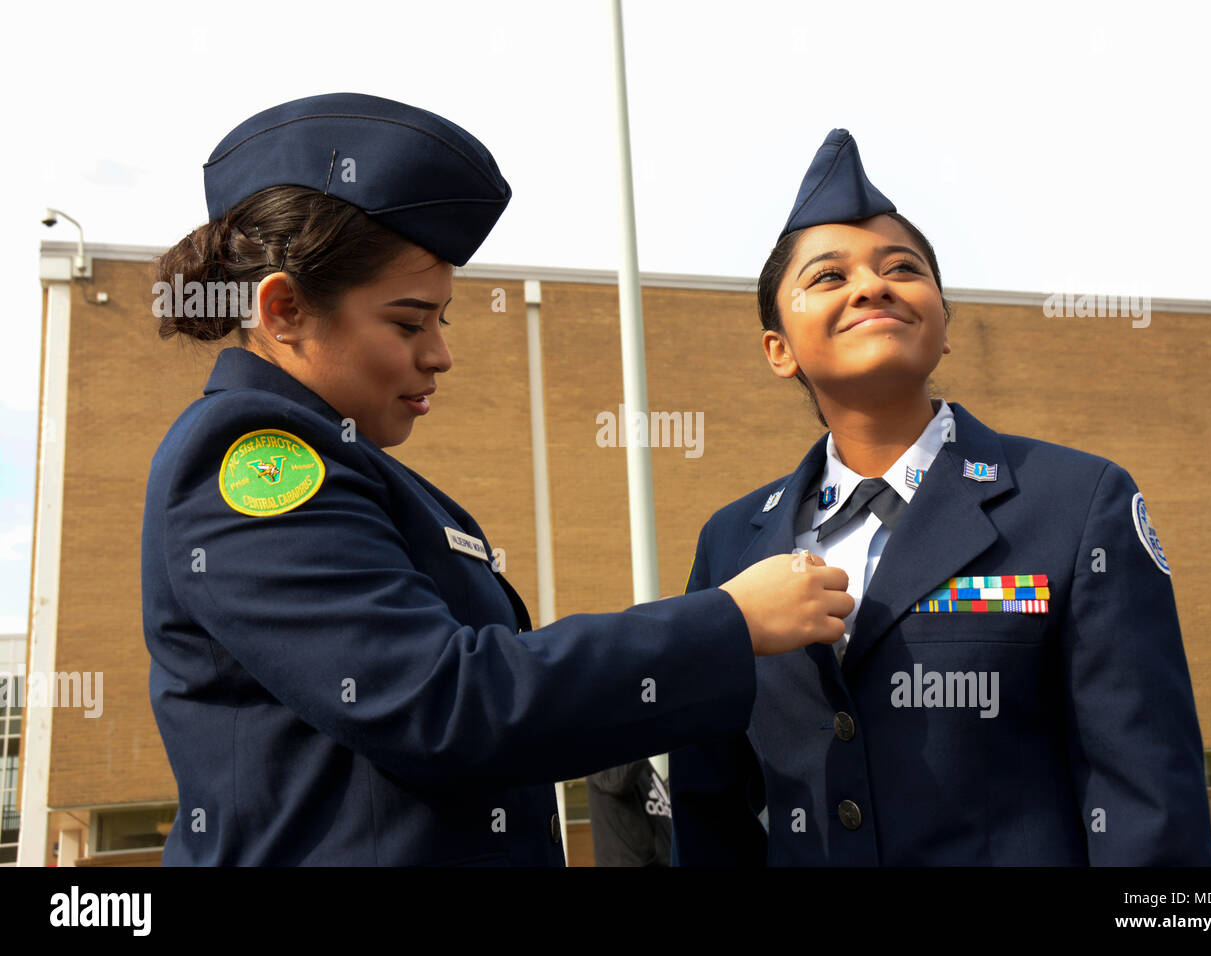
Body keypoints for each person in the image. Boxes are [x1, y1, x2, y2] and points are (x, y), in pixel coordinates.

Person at [141, 93, 853, 866]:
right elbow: (445, 705)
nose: (440, 353)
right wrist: (728, 624)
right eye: (409, 322)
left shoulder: (363, 473)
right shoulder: (251, 455)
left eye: (442, 320)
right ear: (283, 311)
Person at [668, 129, 1211, 866]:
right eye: (829, 277)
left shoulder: (1076, 502)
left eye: (904, 268)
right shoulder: (732, 541)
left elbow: (1148, 794)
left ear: (944, 326)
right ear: (780, 350)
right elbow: (710, 806)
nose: (873, 286)